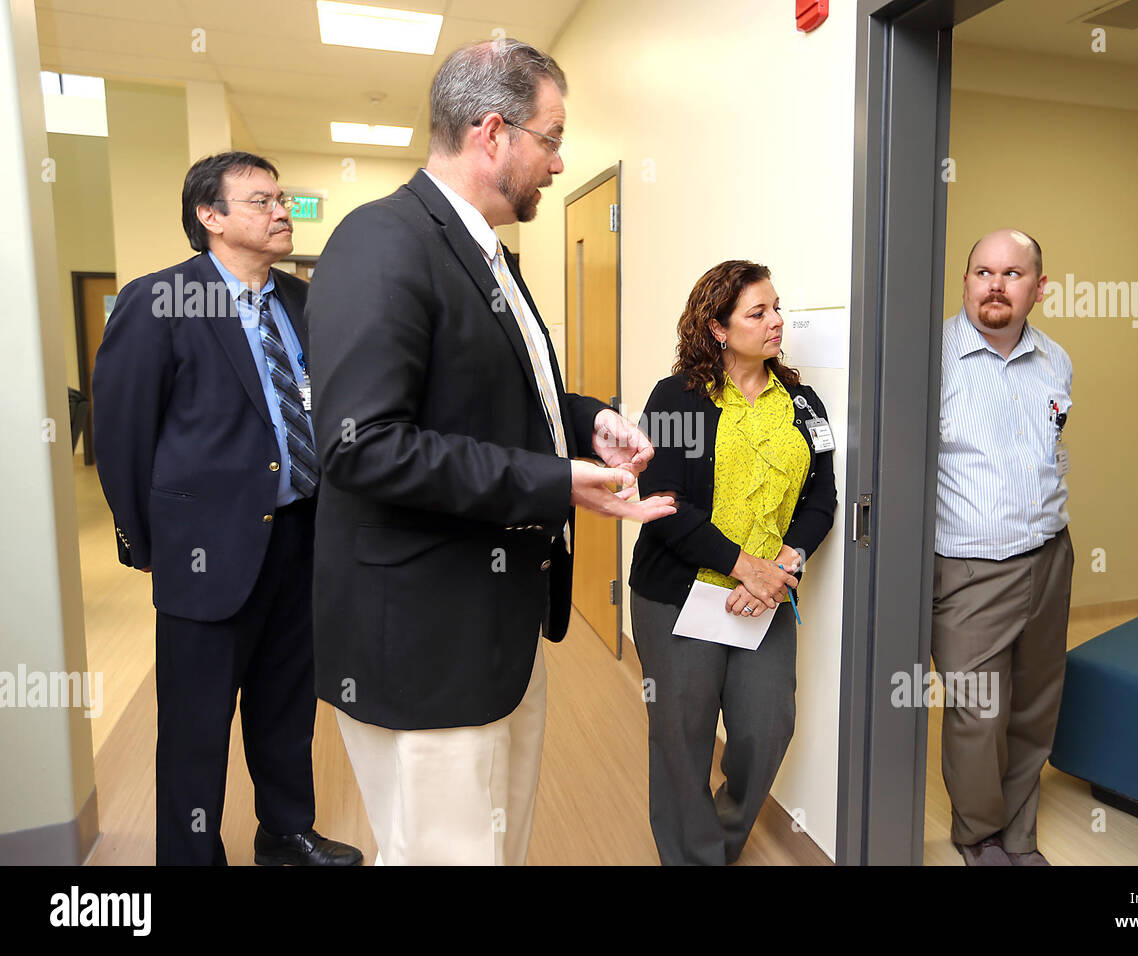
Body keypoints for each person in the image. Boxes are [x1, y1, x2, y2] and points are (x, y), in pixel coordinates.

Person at [307, 38, 674, 866]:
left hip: (495, 628)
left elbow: (497, 392)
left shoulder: (487, 255)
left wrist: (590, 421)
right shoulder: (383, 242)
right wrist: (556, 482)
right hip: (428, 640)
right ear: (493, 132)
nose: (556, 160)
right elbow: (364, 448)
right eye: (551, 138)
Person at [92, 151, 362, 866]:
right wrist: (143, 544)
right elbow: (122, 436)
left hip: (300, 538)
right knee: (196, 723)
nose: (282, 212)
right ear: (209, 218)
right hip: (203, 550)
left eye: (282, 200)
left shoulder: (305, 302)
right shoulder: (161, 302)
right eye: (261, 201)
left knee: (286, 704)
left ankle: (285, 832)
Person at [628, 260, 837, 865]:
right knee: (681, 738)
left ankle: (715, 841)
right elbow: (662, 501)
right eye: (758, 312)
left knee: (766, 727)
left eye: (777, 307)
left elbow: (822, 497)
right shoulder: (678, 399)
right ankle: (692, 858)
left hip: (764, 596)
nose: (776, 322)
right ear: (718, 329)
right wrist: (743, 563)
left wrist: (784, 563)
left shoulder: (802, 403)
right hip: (678, 596)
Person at [931, 228, 1074, 866]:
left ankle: (1020, 837)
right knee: (977, 713)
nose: (994, 284)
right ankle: (979, 837)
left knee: (1034, 706)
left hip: (1049, 556)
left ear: (1038, 288)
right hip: (968, 566)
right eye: (982, 271)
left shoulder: (1056, 360)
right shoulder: (930, 357)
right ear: (965, 280)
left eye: (1012, 274)